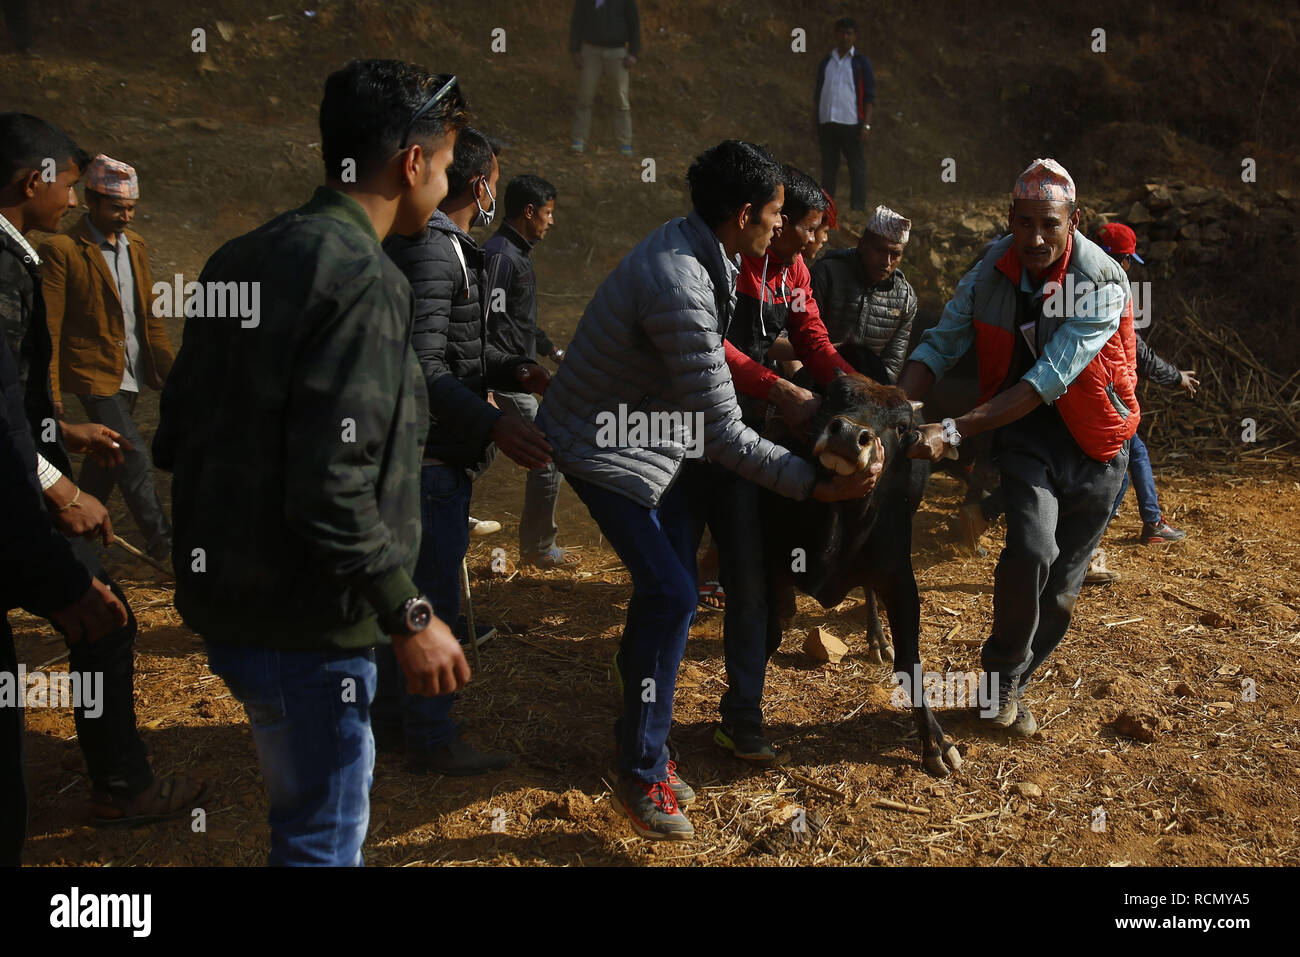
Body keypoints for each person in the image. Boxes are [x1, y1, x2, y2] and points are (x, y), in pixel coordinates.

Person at [154, 61, 472, 865]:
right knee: (321, 843)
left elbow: (176, 430)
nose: (449, 183)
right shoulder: (365, 279)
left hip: (235, 606)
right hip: (308, 623)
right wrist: (409, 611)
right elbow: (331, 480)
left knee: (307, 819)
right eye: (446, 164)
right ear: (411, 163)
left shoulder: (240, 256)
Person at [537, 141, 878, 840]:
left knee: (667, 594)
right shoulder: (681, 281)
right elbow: (720, 432)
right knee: (673, 592)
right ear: (746, 214)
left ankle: (642, 740)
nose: (784, 229)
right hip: (600, 444)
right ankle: (639, 767)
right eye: (778, 215)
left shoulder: (706, 253)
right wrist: (813, 487)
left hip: (643, 433)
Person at [0, 113, 201, 848]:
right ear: (38, 182)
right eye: (71, 184)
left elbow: (147, 320)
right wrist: (54, 475)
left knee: (112, 473)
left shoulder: (121, 248)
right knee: (105, 606)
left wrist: (56, 441)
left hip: (49, 442)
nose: (94, 203)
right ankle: (121, 787)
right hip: (39, 455)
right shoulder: (30, 258)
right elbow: (15, 382)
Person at [899, 158, 1137, 738]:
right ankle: (1001, 671)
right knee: (1030, 550)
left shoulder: (1102, 281)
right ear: (1009, 218)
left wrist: (953, 430)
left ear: (1072, 221)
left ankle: (1009, 683)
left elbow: (1045, 380)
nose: (1035, 237)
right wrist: (897, 407)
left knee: (1060, 594)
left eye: (1048, 224)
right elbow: (943, 341)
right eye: (1024, 222)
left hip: (1098, 445)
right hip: (1029, 439)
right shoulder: (989, 271)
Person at [376, 128, 552, 775]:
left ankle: (395, 723)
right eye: (493, 179)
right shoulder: (430, 251)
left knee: (415, 597)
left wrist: (519, 371)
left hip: (436, 460)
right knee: (431, 601)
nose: (493, 191)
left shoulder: (451, 248)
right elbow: (422, 366)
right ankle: (429, 736)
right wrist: (493, 424)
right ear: (480, 185)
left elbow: (458, 351)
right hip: (428, 465)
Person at [688, 164, 859, 765]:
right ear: (776, 219)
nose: (817, 239)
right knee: (676, 577)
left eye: (819, 230)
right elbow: (715, 345)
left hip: (749, 437)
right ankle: (640, 672)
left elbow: (813, 338)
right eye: (810, 227)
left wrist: (857, 390)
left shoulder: (794, 271)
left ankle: (740, 716)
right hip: (696, 426)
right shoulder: (729, 263)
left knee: (753, 580)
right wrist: (781, 391)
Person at [40, 154, 175, 562]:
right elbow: (50, 324)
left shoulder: (136, 246)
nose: (125, 215)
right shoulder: (62, 250)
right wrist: (52, 389)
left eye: (131, 207)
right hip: (91, 375)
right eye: (117, 207)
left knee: (105, 460)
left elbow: (148, 314)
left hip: (130, 372)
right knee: (130, 454)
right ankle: (166, 546)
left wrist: (173, 373)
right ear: (92, 201)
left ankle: (66, 546)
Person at [484, 174, 576, 568]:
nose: (551, 222)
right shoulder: (501, 256)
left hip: (516, 372)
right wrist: (487, 383)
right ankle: (538, 547)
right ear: (529, 211)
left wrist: (556, 353)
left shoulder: (516, 253)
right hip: (505, 377)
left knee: (480, 455)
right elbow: (481, 324)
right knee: (547, 452)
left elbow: (519, 323)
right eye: (548, 213)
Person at [811, 205, 917, 383]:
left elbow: (891, 364)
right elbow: (803, 339)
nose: (887, 262)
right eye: (880, 251)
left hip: (867, 395)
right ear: (862, 244)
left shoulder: (905, 297)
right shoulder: (827, 274)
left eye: (895, 254)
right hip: (815, 383)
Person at [813, 17, 874, 213]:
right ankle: (827, 207)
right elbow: (819, 93)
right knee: (829, 166)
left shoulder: (860, 63)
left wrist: (866, 125)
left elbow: (869, 97)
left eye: (849, 33)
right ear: (835, 34)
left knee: (856, 166)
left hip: (851, 122)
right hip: (827, 122)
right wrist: (815, 120)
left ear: (854, 36)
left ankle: (857, 207)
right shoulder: (826, 62)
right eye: (841, 32)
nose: (844, 37)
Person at [569, 0, 641, 156]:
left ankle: (625, 144)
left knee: (621, 99)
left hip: (617, 52)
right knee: (585, 97)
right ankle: (578, 141)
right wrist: (575, 49)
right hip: (590, 51)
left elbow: (634, 23)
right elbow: (577, 21)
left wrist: (633, 52)